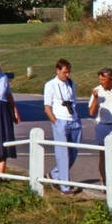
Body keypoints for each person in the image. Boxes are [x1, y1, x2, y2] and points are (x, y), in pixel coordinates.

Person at [43, 58, 82, 194]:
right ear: (58, 70)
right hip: (60, 120)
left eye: (69, 72)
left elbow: (74, 102)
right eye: (65, 72)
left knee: (73, 153)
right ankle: (65, 186)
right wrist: (56, 122)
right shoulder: (50, 85)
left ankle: (54, 174)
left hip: (73, 120)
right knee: (63, 154)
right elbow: (47, 107)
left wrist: (77, 118)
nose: (67, 75)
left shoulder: (71, 84)